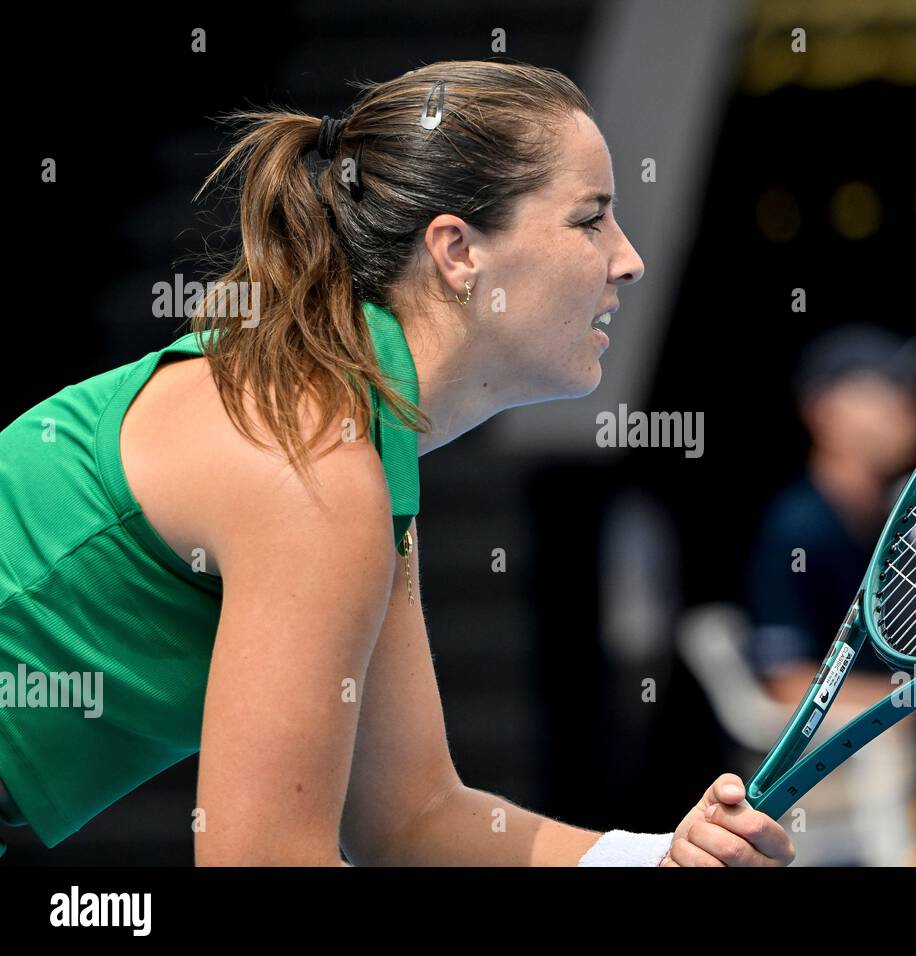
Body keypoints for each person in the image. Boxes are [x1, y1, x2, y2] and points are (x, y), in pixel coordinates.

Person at [0, 61, 794, 867]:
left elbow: (411, 817)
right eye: (589, 220)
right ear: (457, 252)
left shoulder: (348, 432)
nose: (629, 260)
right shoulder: (314, 467)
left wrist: (651, 860)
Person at [746, 325, 916, 710]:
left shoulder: (911, 522)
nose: (912, 406)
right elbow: (786, 683)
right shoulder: (796, 528)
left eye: (915, 391)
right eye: (887, 388)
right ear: (825, 409)